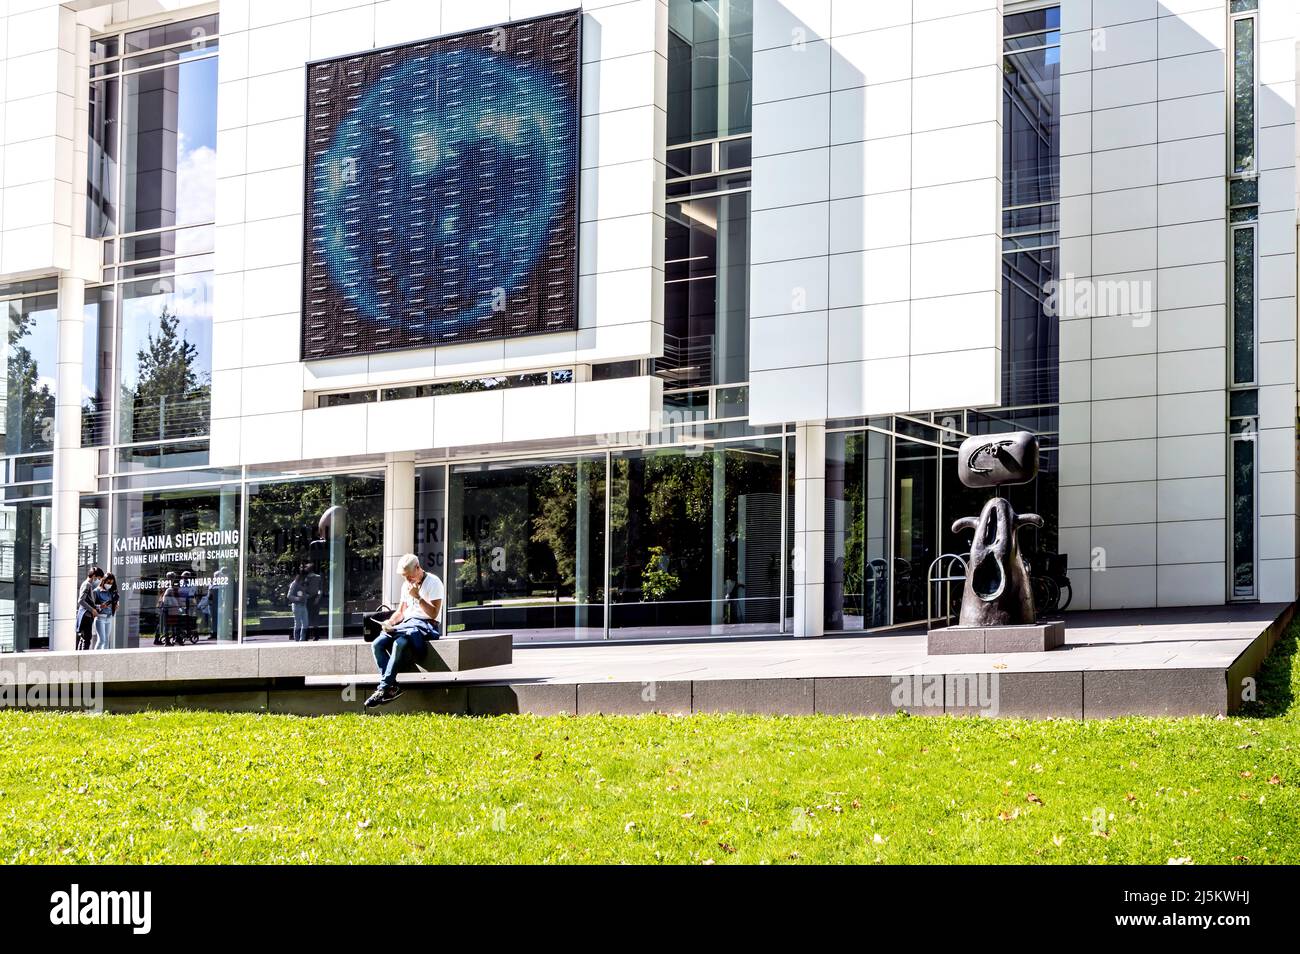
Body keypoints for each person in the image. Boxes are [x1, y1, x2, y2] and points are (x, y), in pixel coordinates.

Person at [365, 554, 444, 708]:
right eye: (405, 577)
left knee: (399, 643)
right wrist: (390, 622)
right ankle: (392, 686)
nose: (408, 580)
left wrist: (418, 597)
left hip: (425, 625)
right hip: (405, 625)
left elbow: (434, 613)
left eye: (410, 576)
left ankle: (384, 688)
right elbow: (401, 612)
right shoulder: (406, 586)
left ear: (418, 568)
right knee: (376, 644)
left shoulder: (434, 582)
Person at [76, 566, 105, 651]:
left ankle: (80, 657)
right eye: (99, 578)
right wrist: (92, 610)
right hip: (86, 616)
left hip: (86, 615)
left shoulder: (87, 584)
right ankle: (83, 659)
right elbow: (81, 600)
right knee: (87, 640)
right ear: (94, 576)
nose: (99, 581)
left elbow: (88, 602)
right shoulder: (87, 585)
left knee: (84, 639)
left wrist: (99, 606)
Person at [92, 573, 119, 650]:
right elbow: (92, 606)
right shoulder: (96, 591)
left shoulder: (112, 592)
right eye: (108, 582)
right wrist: (100, 606)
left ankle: (104, 659)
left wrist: (116, 605)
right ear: (104, 581)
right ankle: (95, 658)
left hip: (109, 617)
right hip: (100, 618)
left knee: (106, 641)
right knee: (101, 640)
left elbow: (116, 602)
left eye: (111, 583)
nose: (109, 585)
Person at [287, 566, 310, 642]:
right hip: (297, 605)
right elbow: (289, 596)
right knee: (298, 624)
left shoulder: (303, 583)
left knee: (305, 623)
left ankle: (302, 639)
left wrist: (306, 596)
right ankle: (297, 640)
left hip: (303, 605)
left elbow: (304, 592)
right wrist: (298, 598)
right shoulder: (294, 584)